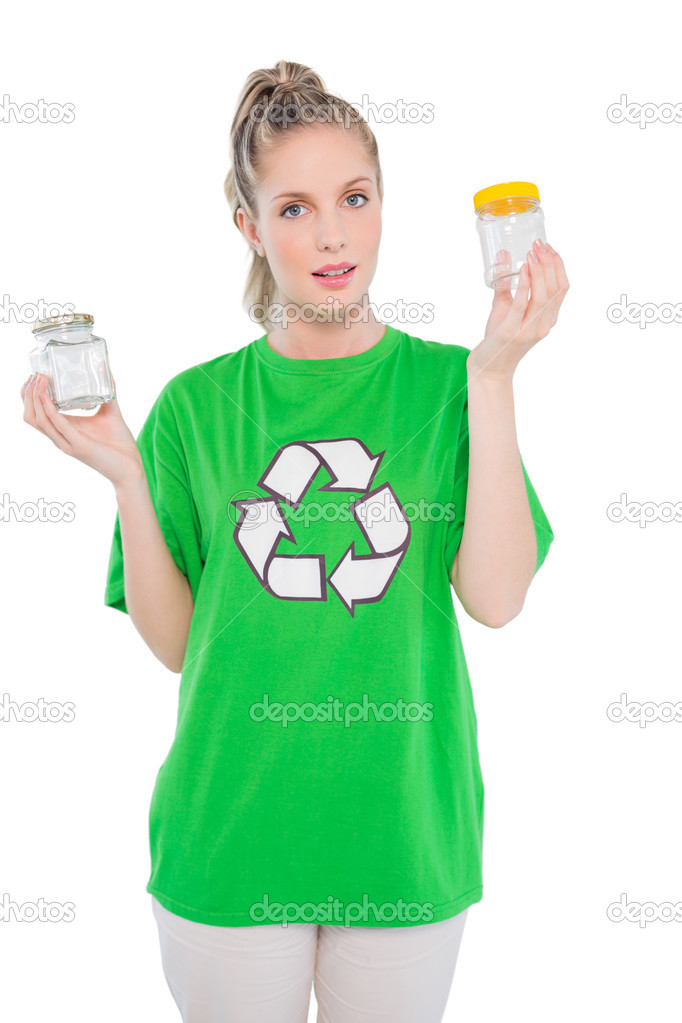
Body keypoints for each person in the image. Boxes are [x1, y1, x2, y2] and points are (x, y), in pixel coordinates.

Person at [20, 59, 569, 1023]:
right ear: (249, 225)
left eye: (354, 198)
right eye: (294, 207)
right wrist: (124, 476)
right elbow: (182, 648)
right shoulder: (195, 405)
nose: (331, 235)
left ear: (385, 206)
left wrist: (496, 376)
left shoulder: (453, 383)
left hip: (402, 832)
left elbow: (497, 597)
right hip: (230, 834)